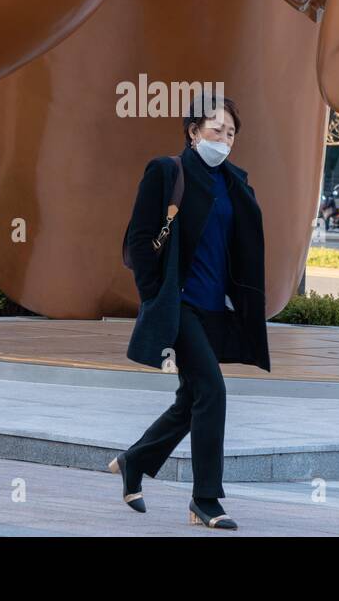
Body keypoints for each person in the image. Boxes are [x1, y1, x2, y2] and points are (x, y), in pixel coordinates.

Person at [110, 96, 269, 530]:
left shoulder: (235, 183)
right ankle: (205, 500)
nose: (224, 138)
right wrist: (155, 295)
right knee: (213, 391)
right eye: (215, 129)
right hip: (179, 306)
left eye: (231, 132)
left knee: (193, 397)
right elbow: (140, 240)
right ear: (193, 131)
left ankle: (135, 460)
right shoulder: (167, 171)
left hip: (216, 309)